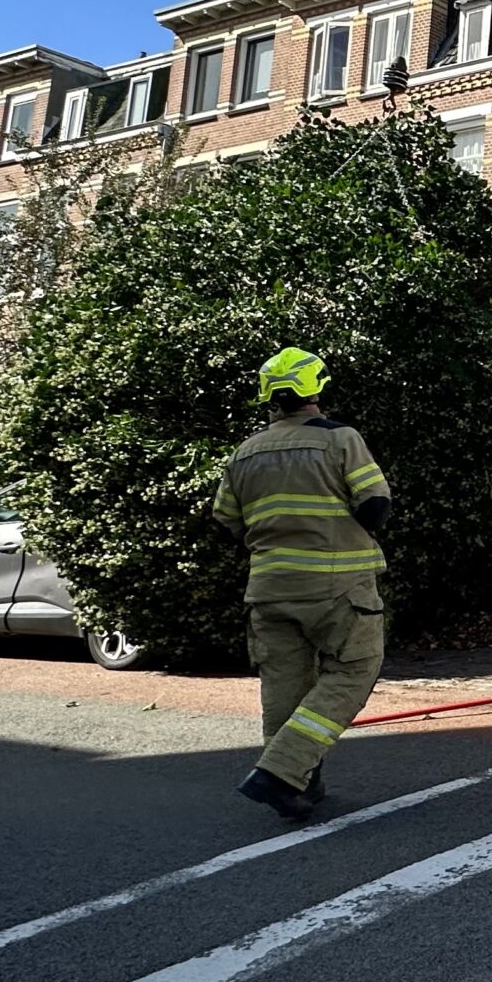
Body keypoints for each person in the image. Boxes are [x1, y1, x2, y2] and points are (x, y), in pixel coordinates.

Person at [212, 348, 391, 820]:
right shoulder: (340, 440)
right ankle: (279, 773)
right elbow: (375, 502)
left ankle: (297, 789)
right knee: (354, 670)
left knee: (284, 691)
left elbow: (226, 519)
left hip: (269, 588)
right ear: (316, 389)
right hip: (338, 586)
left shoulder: (245, 452)